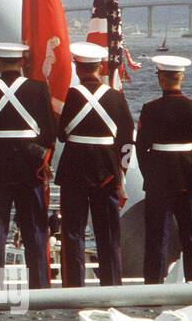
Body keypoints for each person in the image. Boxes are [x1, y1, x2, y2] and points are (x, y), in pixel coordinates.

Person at [0, 43, 57, 289]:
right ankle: (40, 287)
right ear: (22, 63)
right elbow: (50, 131)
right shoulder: (39, 89)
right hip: (30, 166)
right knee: (35, 230)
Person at [55, 42, 134, 286]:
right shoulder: (116, 97)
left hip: (74, 169)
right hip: (107, 170)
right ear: (100, 67)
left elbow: (61, 134)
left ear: (78, 69)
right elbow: (126, 136)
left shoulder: (71, 96)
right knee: (108, 233)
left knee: (72, 233)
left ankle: (74, 287)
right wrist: (121, 172)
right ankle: (112, 285)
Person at [136, 55, 192, 283]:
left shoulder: (150, 109)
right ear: (181, 78)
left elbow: (141, 147)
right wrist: (187, 163)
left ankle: (153, 288)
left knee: (157, 237)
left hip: (158, 178)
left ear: (161, 79)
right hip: (188, 177)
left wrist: (150, 173)